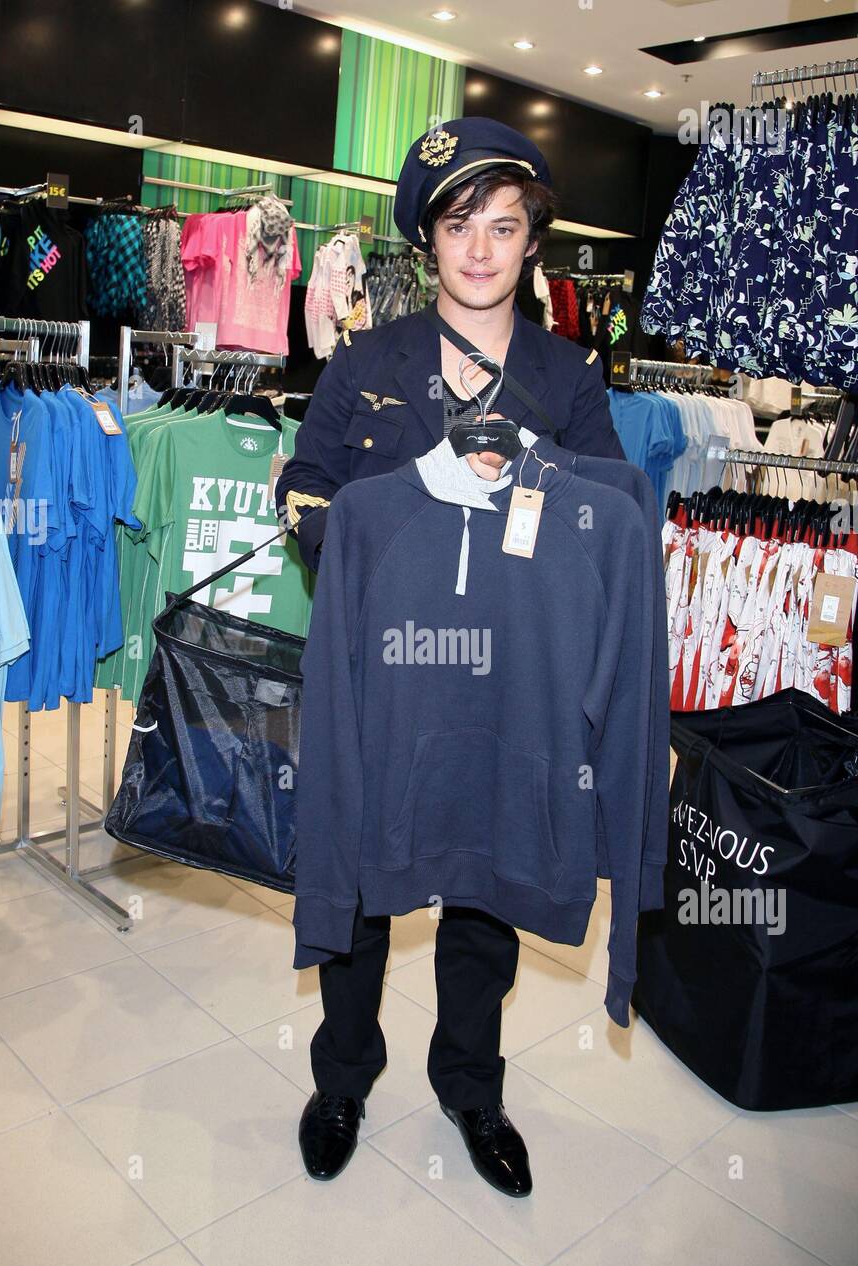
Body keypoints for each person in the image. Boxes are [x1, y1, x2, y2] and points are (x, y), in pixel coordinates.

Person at [276, 116, 627, 1197]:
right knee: (360, 880)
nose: (480, 247)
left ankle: (472, 1085)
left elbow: (604, 509)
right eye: (459, 224)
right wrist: (348, 525)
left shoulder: (567, 377)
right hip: (382, 679)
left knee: (486, 885)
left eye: (504, 226)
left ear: (533, 243)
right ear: (427, 239)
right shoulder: (365, 360)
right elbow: (307, 481)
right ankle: (342, 1078)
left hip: (508, 690)